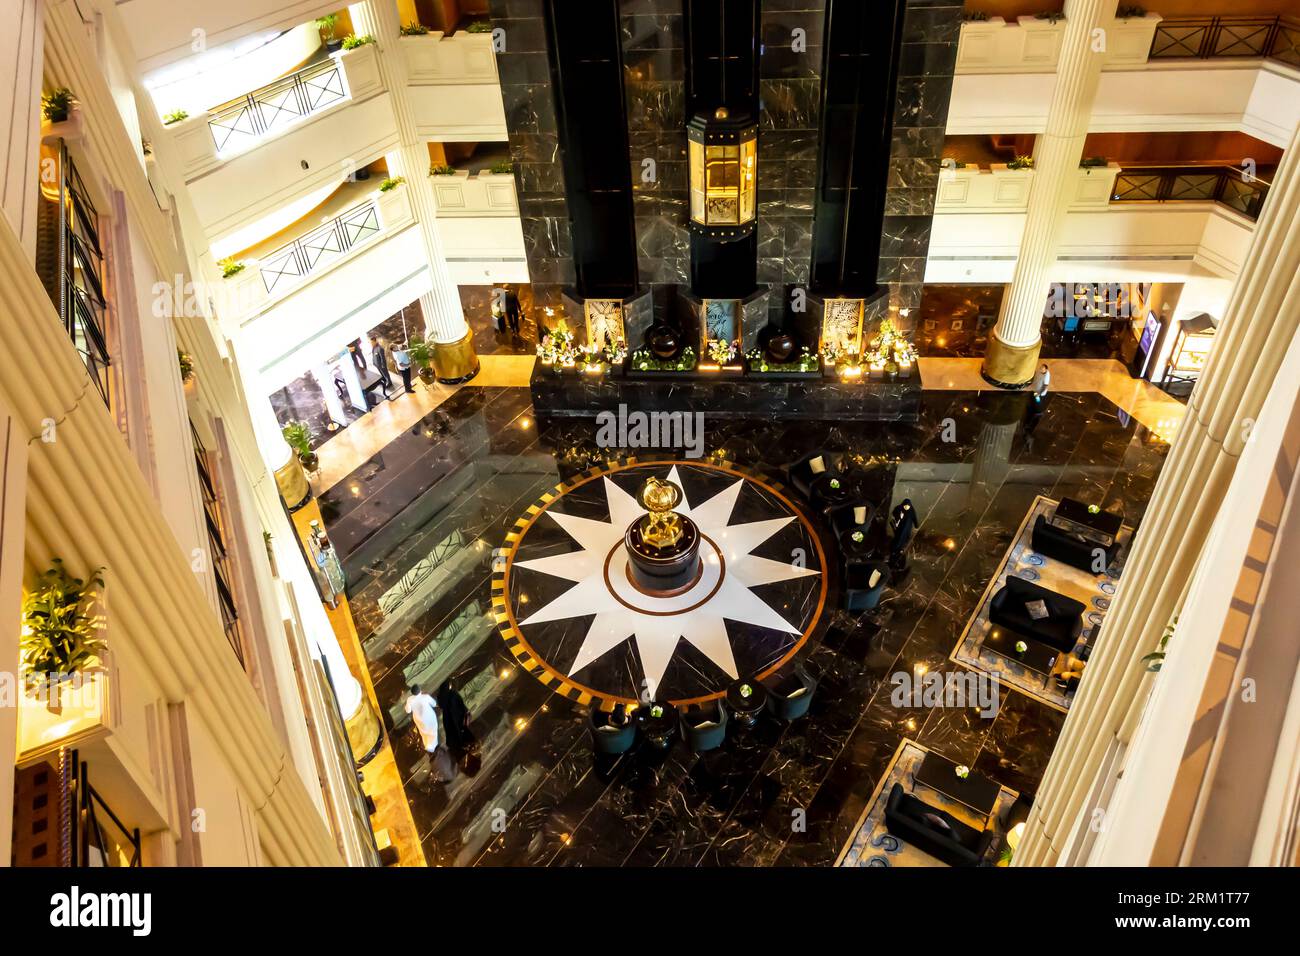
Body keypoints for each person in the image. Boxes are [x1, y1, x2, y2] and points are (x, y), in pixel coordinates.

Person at [405, 684, 455, 781]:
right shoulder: (425, 697)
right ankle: (432, 746)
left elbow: (407, 710)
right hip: (430, 719)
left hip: (420, 721)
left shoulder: (410, 700)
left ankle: (431, 746)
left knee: (425, 733)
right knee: (431, 732)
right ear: (420, 690)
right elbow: (433, 703)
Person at [889, 498, 918, 568]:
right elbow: (894, 513)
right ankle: (896, 548)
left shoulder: (911, 511)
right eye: (905, 506)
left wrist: (916, 525)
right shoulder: (899, 508)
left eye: (908, 506)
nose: (906, 508)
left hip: (907, 527)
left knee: (904, 538)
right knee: (899, 537)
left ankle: (899, 549)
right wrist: (898, 517)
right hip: (900, 527)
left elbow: (914, 518)